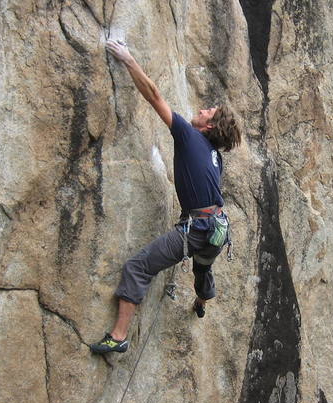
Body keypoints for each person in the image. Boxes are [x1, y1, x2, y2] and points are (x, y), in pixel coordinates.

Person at [90, 38, 242, 354]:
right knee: (203, 267)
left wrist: (128, 59)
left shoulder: (189, 136)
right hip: (218, 229)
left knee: (137, 266)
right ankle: (202, 300)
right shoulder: (216, 154)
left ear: (208, 126)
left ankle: (118, 337)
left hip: (198, 230)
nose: (201, 109)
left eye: (208, 111)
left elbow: (155, 96)